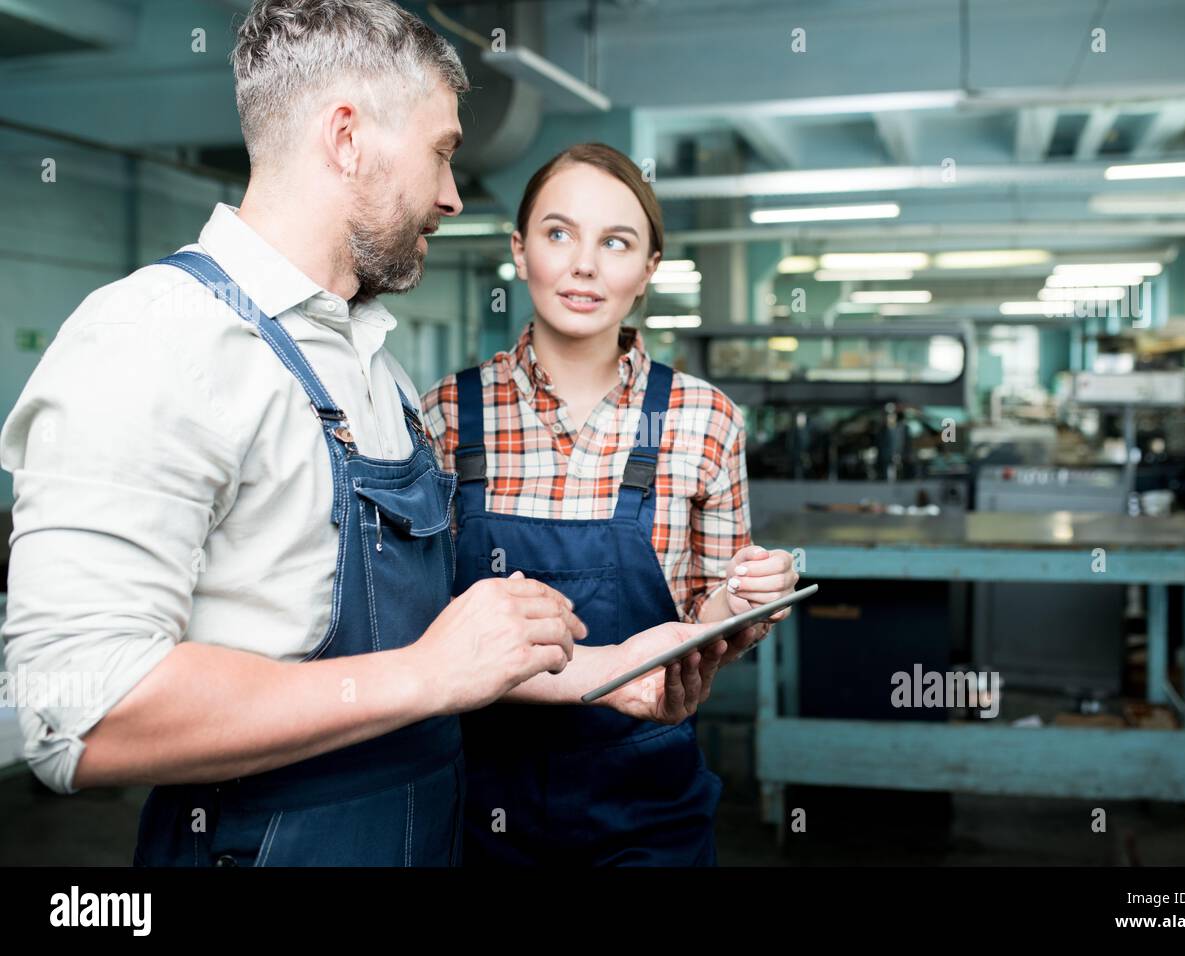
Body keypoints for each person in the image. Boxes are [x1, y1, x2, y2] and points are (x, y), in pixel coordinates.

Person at [0, 1, 720, 868]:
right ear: (348, 138)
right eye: (443, 151)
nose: (454, 194)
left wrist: (606, 666)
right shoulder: (155, 342)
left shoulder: (371, 365)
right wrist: (425, 678)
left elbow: (427, 649)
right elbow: (73, 712)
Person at [423, 143, 800, 866]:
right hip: (477, 802)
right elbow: (417, 622)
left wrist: (748, 595)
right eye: (558, 233)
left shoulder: (703, 418)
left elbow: (709, 619)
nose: (584, 265)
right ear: (520, 250)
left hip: (646, 808)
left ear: (648, 269)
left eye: (616, 242)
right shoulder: (445, 415)